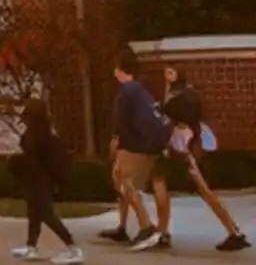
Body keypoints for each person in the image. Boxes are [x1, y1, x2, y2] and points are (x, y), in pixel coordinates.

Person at [161, 68, 249, 251]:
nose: (166, 76)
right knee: (167, 185)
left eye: (170, 73)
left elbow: (167, 113)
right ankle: (233, 231)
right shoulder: (190, 95)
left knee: (203, 191)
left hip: (184, 151)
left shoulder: (177, 100)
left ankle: (234, 232)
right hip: (189, 147)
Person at [103, 48, 172, 252]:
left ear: (119, 70)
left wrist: (115, 146)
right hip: (154, 145)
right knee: (137, 185)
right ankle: (140, 228)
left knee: (124, 183)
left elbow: (121, 125)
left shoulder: (126, 92)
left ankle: (145, 226)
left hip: (135, 146)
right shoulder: (142, 91)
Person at [10, 99, 83, 265]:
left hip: (38, 181)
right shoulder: (47, 134)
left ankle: (73, 247)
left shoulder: (34, 136)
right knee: (34, 213)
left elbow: (30, 157)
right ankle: (31, 245)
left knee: (46, 214)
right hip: (42, 180)